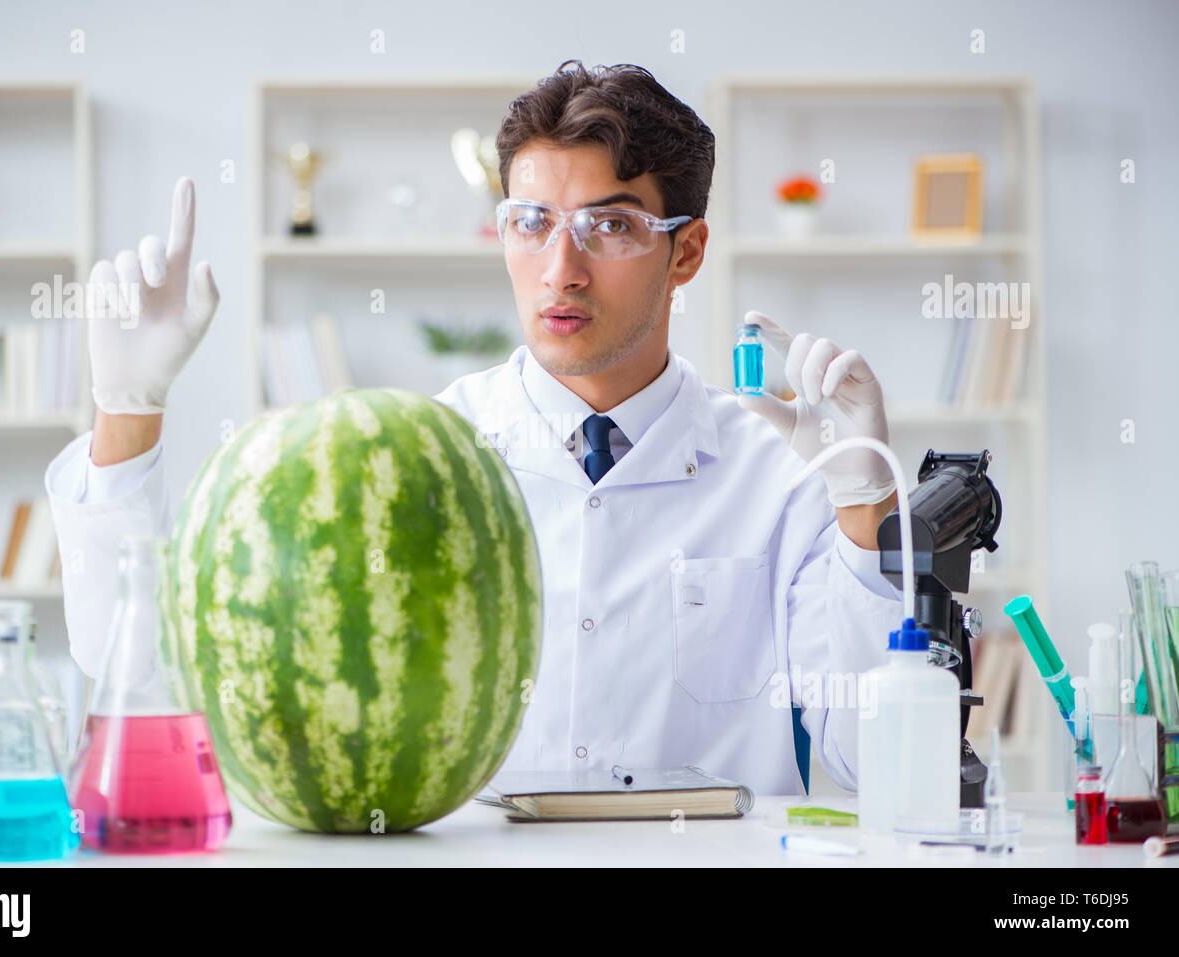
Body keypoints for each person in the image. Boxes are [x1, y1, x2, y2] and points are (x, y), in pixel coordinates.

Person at [45, 60, 905, 795]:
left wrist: (865, 509)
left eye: (609, 225)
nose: (559, 270)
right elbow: (145, 669)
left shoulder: (783, 472)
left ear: (686, 251)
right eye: (531, 223)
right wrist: (126, 413)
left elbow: (878, 758)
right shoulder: (421, 457)